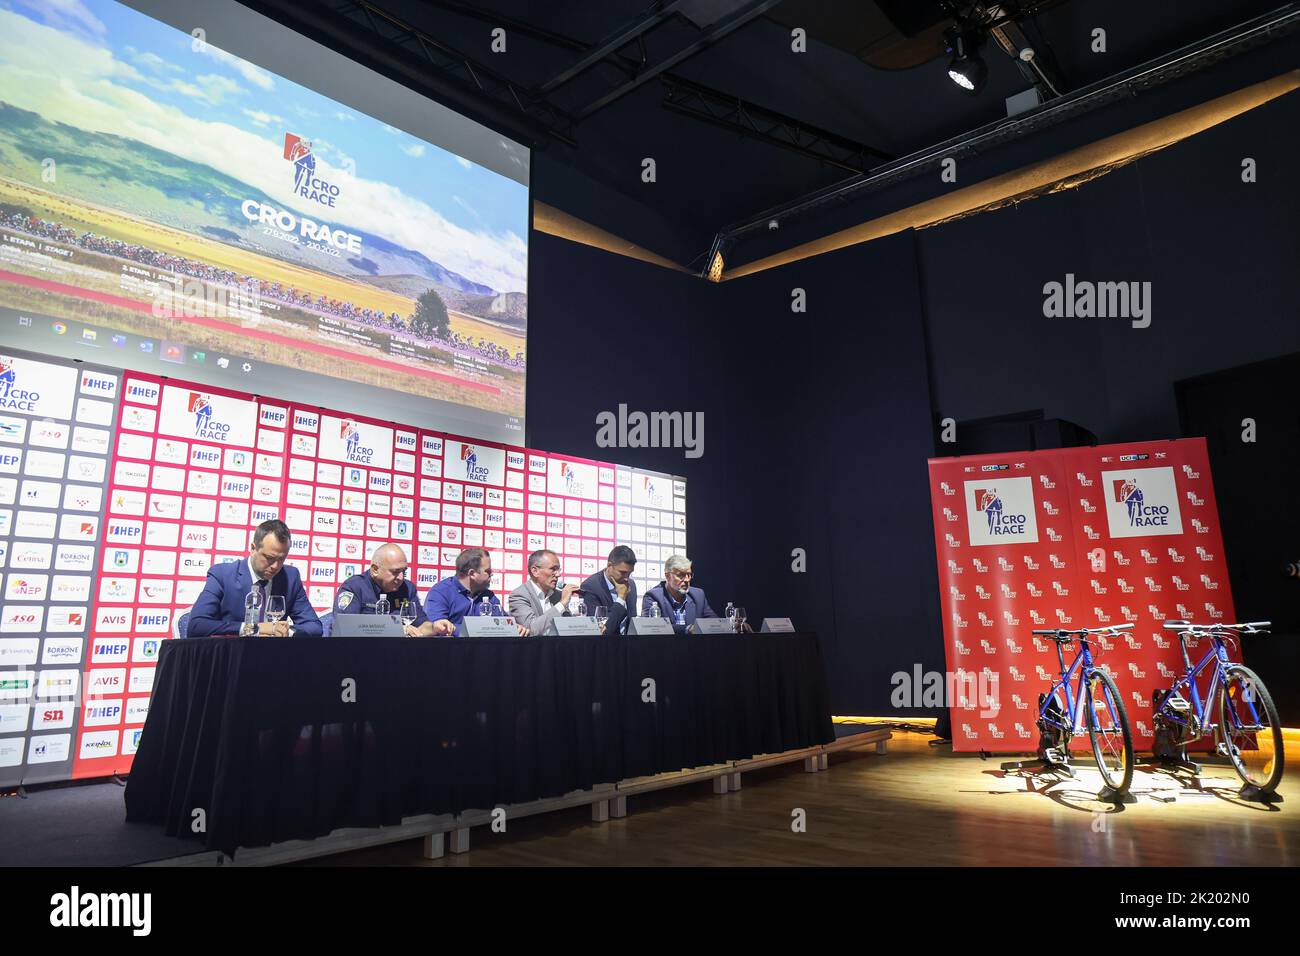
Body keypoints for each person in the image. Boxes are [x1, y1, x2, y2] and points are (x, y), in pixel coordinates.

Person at [187, 519, 322, 637]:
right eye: (269, 558)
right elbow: (197, 625)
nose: (275, 566)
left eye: (281, 559)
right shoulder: (222, 574)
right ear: (253, 548)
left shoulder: (291, 577)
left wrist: (284, 631)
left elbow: (314, 626)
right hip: (233, 657)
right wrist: (254, 629)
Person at [334, 543, 434, 637]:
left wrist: (435, 627)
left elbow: (422, 624)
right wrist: (396, 629)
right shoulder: (354, 587)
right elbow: (345, 627)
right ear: (375, 570)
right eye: (395, 572)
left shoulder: (408, 588)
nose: (401, 577)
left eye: (404, 571)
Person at [424, 547, 527, 636]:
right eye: (488, 571)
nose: (492, 574)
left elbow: (503, 622)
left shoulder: (489, 596)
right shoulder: (441, 592)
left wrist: (514, 628)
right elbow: (439, 628)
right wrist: (480, 629)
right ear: (472, 573)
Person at [508, 549, 580, 636]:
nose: (558, 574)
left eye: (558, 569)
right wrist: (562, 604)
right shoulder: (519, 595)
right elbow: (531, 629)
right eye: (553, 569)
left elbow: (569, 628)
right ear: (535, 571)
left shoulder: (558, 595)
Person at [642, 554, 719, 634]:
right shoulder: (652, 596)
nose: (686, 579)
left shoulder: (698, 595)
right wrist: (687, 629)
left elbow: (714, 623)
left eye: (689, 575)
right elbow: (652, 627)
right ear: (668, 576)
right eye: (680, 575)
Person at [580, 545, 638, 636]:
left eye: (629, 573)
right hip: (605, 646)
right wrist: (621, 599)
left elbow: (632, 622)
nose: (626, 578)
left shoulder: (631, 585)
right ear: (609, 565)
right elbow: (601, 630)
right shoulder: (590, 586)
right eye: (622, 572)